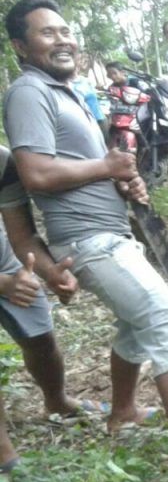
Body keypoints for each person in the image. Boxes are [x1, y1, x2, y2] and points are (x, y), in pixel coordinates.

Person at [3, 0, 168, 475]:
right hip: (87, 240)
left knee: (136, 323)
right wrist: (106, 167)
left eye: (65, 31)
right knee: (167, 320)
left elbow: (81, 167)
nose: (62, 40)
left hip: (109, 232)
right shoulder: (29, 92)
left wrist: (122, 181)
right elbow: (35, 172)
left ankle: (123, 411)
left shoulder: (66, 92)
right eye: (47, 33)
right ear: (21, 46)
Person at [0, 145, 87, 424]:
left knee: (40, 339)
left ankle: (56, 401)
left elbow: (22, 235)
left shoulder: (2, 162)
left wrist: (51, 272)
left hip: (4, 261)